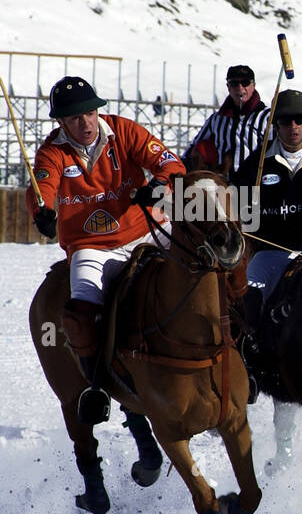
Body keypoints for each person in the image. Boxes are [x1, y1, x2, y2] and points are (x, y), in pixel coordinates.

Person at [26, 76, 186, 424]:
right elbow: (43, 186)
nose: (84, 123)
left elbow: (171, 164)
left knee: (203, 262)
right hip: (92, 247)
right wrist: (43, 212)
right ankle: (98, 386)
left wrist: (159, 185)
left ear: (98, 110)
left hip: (148, 230)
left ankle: (237, 348)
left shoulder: (124, 131)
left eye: (88, 113)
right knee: (82, 314)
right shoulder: (52, 152)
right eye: (73, 118)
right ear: (60, 122)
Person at [230, 88, 302, 474]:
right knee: (253, 288)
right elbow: (236, 212)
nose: (293, 126)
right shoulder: (257, 164)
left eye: (299, 120)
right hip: (274, 252)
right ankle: (253, 361)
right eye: (285, 120)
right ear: (275, 124)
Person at [183, 64, 270, 178]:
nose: (240, 88)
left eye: (245, 83)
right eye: (234, 83)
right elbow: (194, 148)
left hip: (255, 183)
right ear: (228, 87)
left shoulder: (267, 117)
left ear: (253, 85)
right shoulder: (216, 119)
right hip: (224, 183)